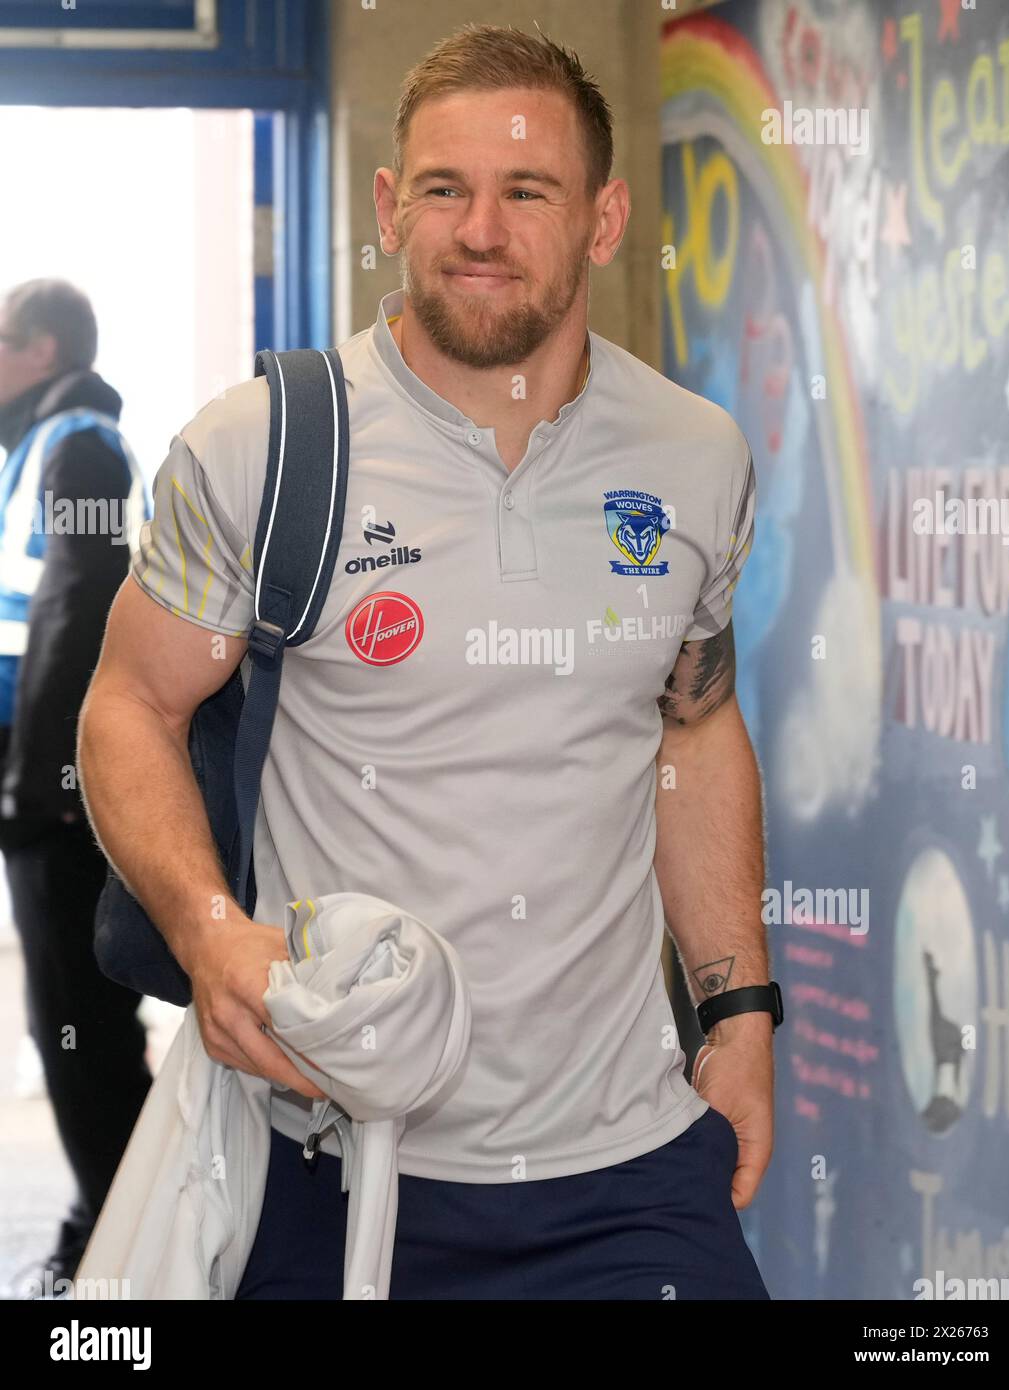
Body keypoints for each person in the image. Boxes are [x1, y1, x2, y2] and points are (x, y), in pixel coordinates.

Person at [79, 23, 773, 1300]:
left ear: (605, 219)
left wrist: (738, 1013)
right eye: (445, 189)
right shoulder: (259, 450)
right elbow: (129, 705)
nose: (482, 229)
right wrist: (208, 929)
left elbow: (693, 726)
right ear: (392, 207)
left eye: (529, 191)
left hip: (626, 1166)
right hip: (332, 1157)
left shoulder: (693, 455)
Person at [0, 278, 152, 1287]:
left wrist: (41, 783)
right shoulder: (39, 446)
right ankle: (111, 1213)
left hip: (57, 795)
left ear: (43, 348)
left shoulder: (81, 444)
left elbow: (78, 604)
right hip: (37, 775)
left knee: (81, 1020)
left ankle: (122, 1232)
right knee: (68, 1018)